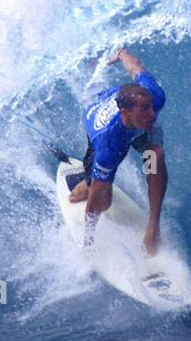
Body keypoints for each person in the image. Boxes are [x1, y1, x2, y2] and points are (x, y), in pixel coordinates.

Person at [69, 47, 168, 256]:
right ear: (125, 113)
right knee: (101, 199)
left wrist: (121, 53)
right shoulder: (108, 145)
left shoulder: (153, 98)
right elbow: (96, 201)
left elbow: (136, 69)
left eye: (151, 107)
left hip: (137, 125)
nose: (153, 113)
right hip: (104, 124)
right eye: (145, 110)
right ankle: (84, 183)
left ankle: (153, 225)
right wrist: (87, 241)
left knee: (154, 156)